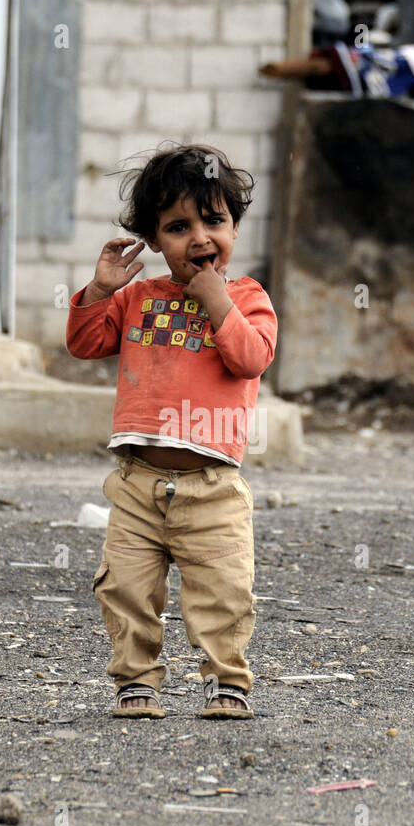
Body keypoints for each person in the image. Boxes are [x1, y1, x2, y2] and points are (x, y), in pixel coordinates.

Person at [65, 144, 277, 720]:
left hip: (212, 488)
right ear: (155, 241)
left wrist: (217, 305)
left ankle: (226, 682)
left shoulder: (249, 299)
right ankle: (136, 682)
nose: (200, 238)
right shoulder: (138, 299)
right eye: (178, 227)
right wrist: (101, 290)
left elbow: (251, 359)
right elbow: (85, 342)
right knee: (127, 587)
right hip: (136, 484)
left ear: (234, 226)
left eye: (214, 221)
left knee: (222, 593)